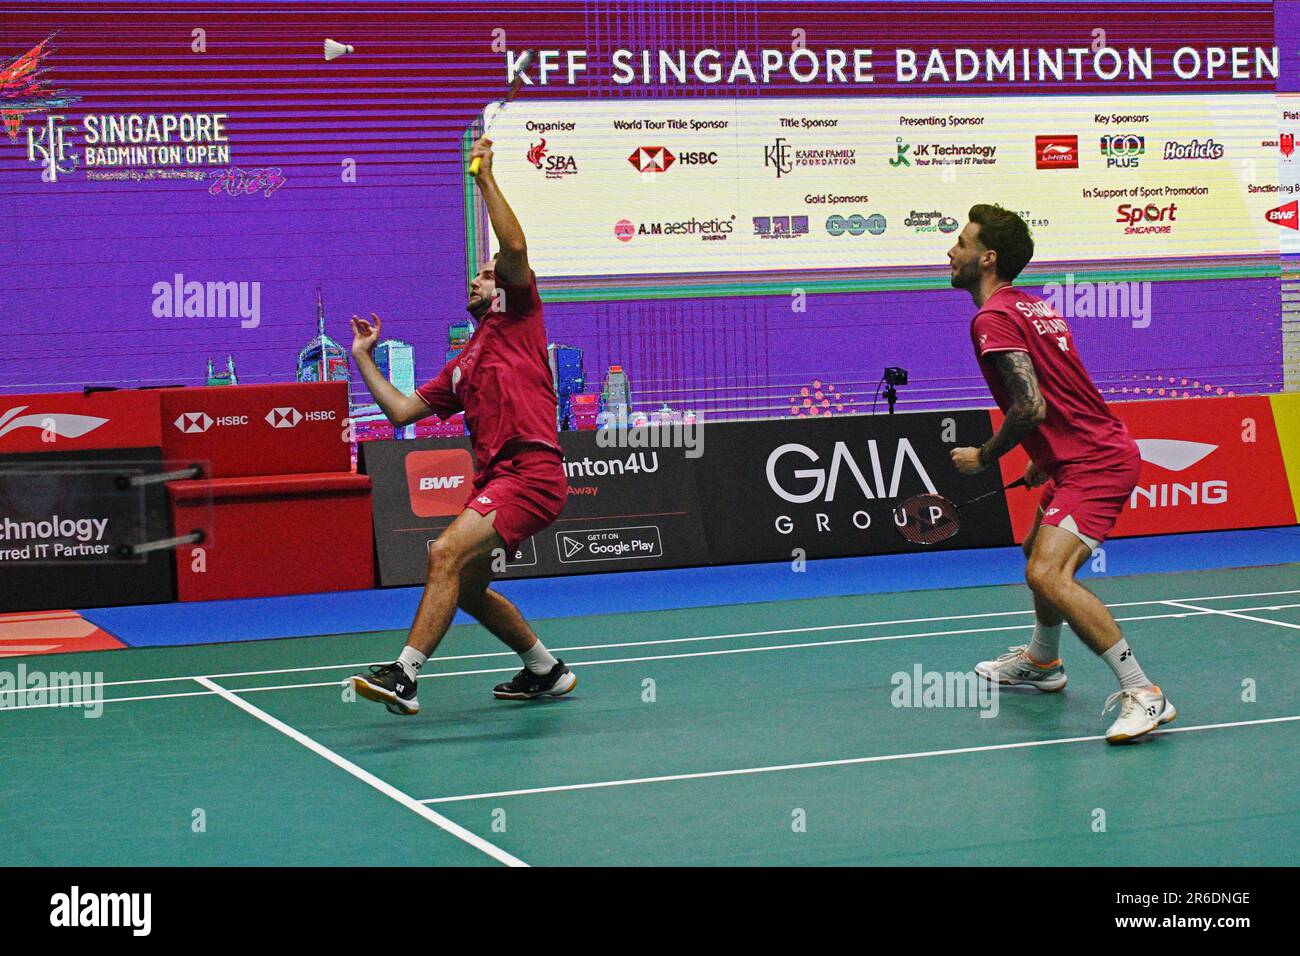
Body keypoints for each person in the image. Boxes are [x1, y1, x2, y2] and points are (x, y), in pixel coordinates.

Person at [346, 136, 574, 715]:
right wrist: (362, 357)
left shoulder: (519, 317)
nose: (477, 280)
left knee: (444, 552)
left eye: (487, 275)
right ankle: (545, 669)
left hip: (531, 471)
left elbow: (514, 244)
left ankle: (405, 674)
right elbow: (401, 412)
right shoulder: (464, 360)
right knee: (466, 587)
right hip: (498, 477)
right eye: (477, 275)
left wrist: (484, 176)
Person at [946, 203, 1174, 743]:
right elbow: (1060, 389)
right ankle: (1042, 662)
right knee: (1036, 551)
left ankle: (1143, 691)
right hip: (1081, 455)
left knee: (1048, 573)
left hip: (1097, 463)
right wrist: (1044, 456)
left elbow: (1030, 406)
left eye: (962, 243)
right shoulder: (1033, 308)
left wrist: (985, 456)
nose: (951, 252)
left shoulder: (993, 318)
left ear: (987, 258)